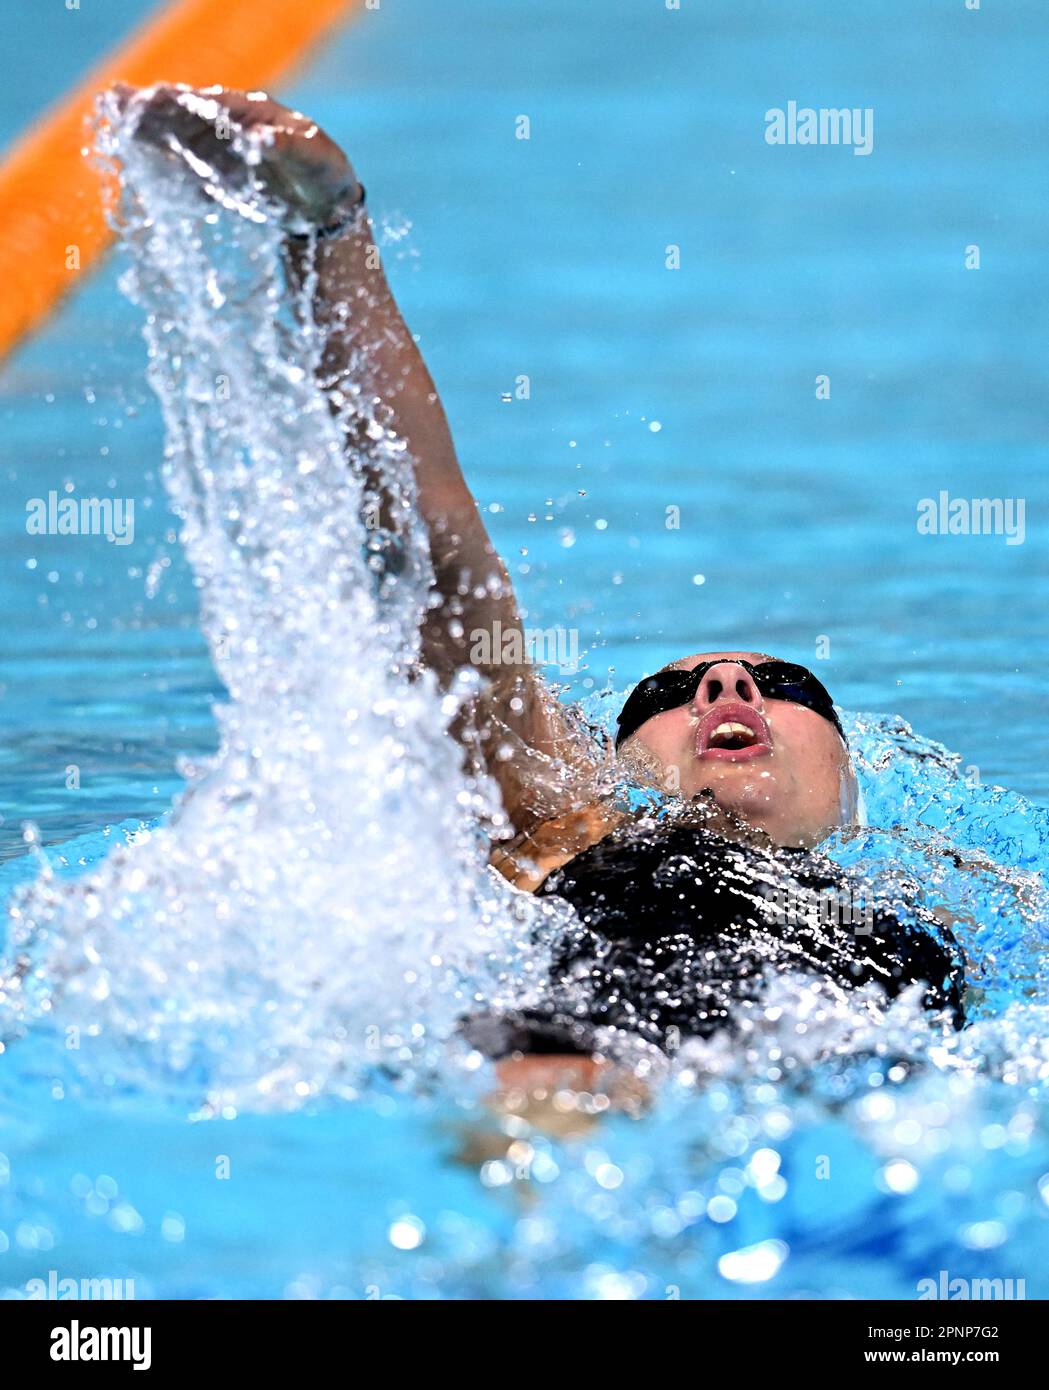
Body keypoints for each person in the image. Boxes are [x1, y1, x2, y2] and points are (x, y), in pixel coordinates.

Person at [111, 84, 967, 1079]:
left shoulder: (935, 915)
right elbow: (431, 547)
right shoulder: (577, 818)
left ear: (853, 777)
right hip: (595, 1055)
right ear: (609, 758)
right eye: (666, 693)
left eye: (783, 685)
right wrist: (330, 229)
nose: (724, 689)